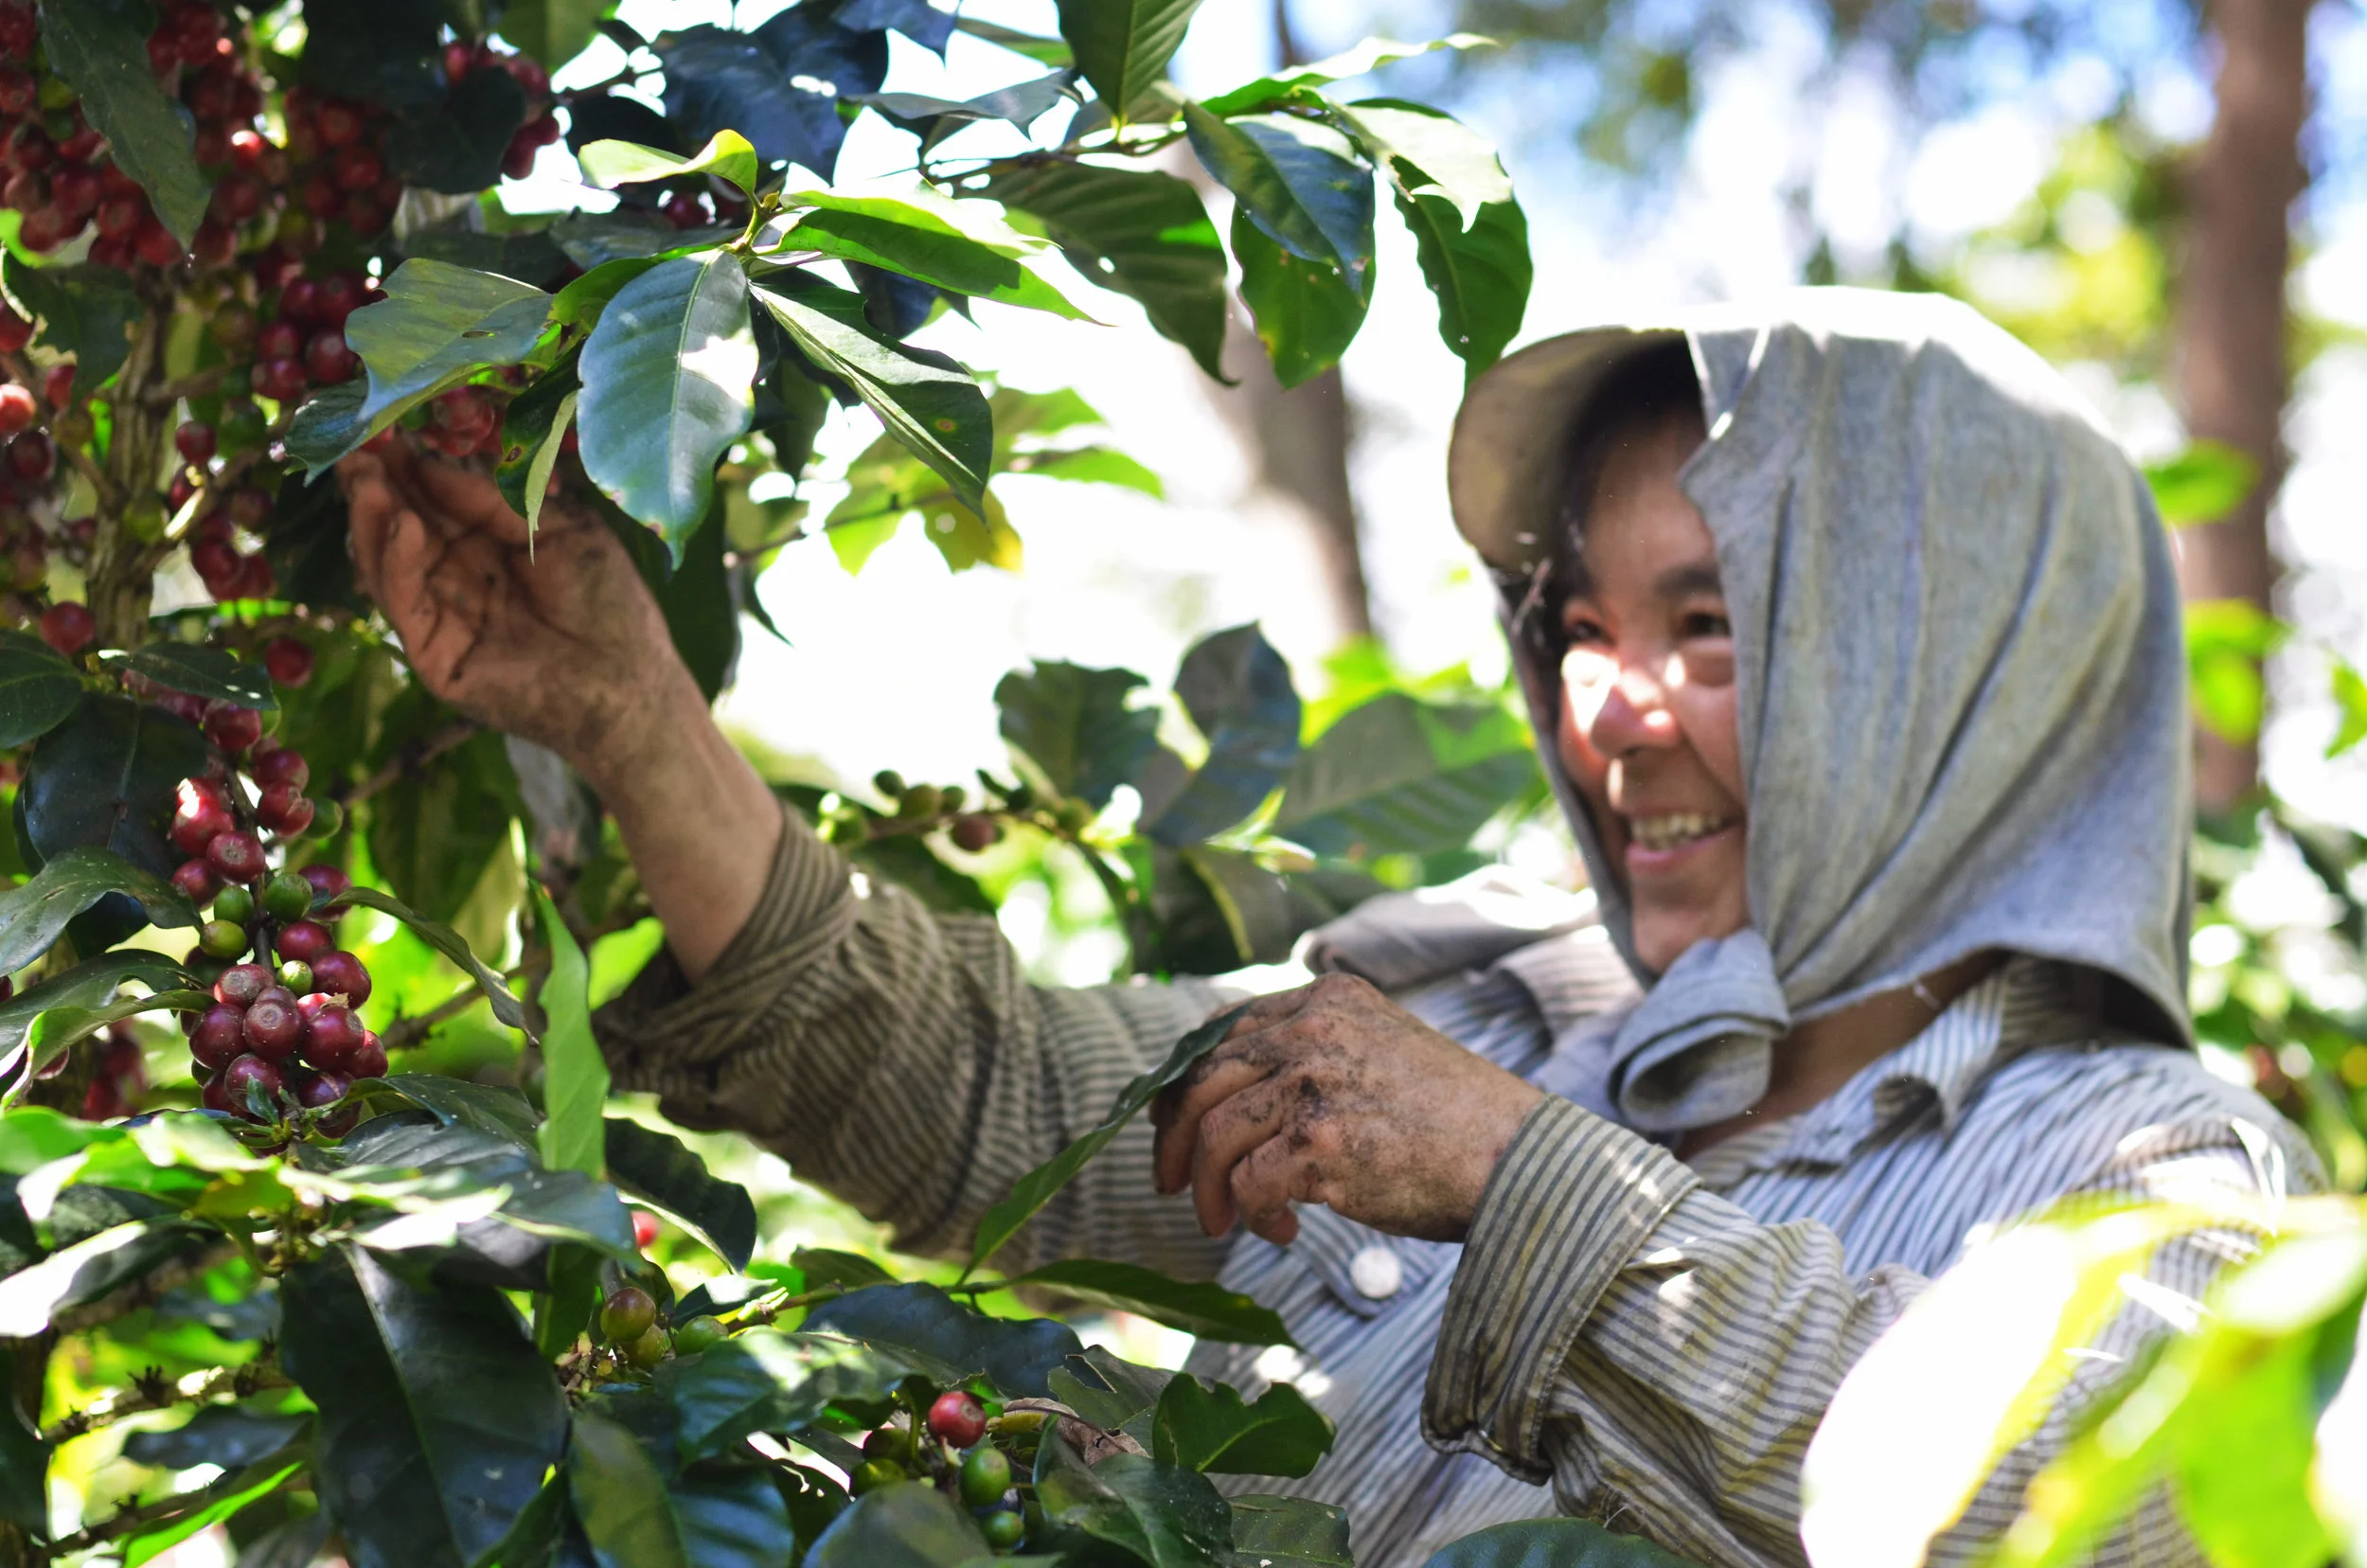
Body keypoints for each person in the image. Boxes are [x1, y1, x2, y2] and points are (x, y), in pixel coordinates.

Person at [336, 288, 2316, 1568]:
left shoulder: (2152, 1161)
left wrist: (1521, 1183)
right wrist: (634, 720)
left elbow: (2096, 1501)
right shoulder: (1497, 993)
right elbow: (992, 1100)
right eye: (1583, 630)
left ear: (1959, 666)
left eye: (1710, 624)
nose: (1607, 708)